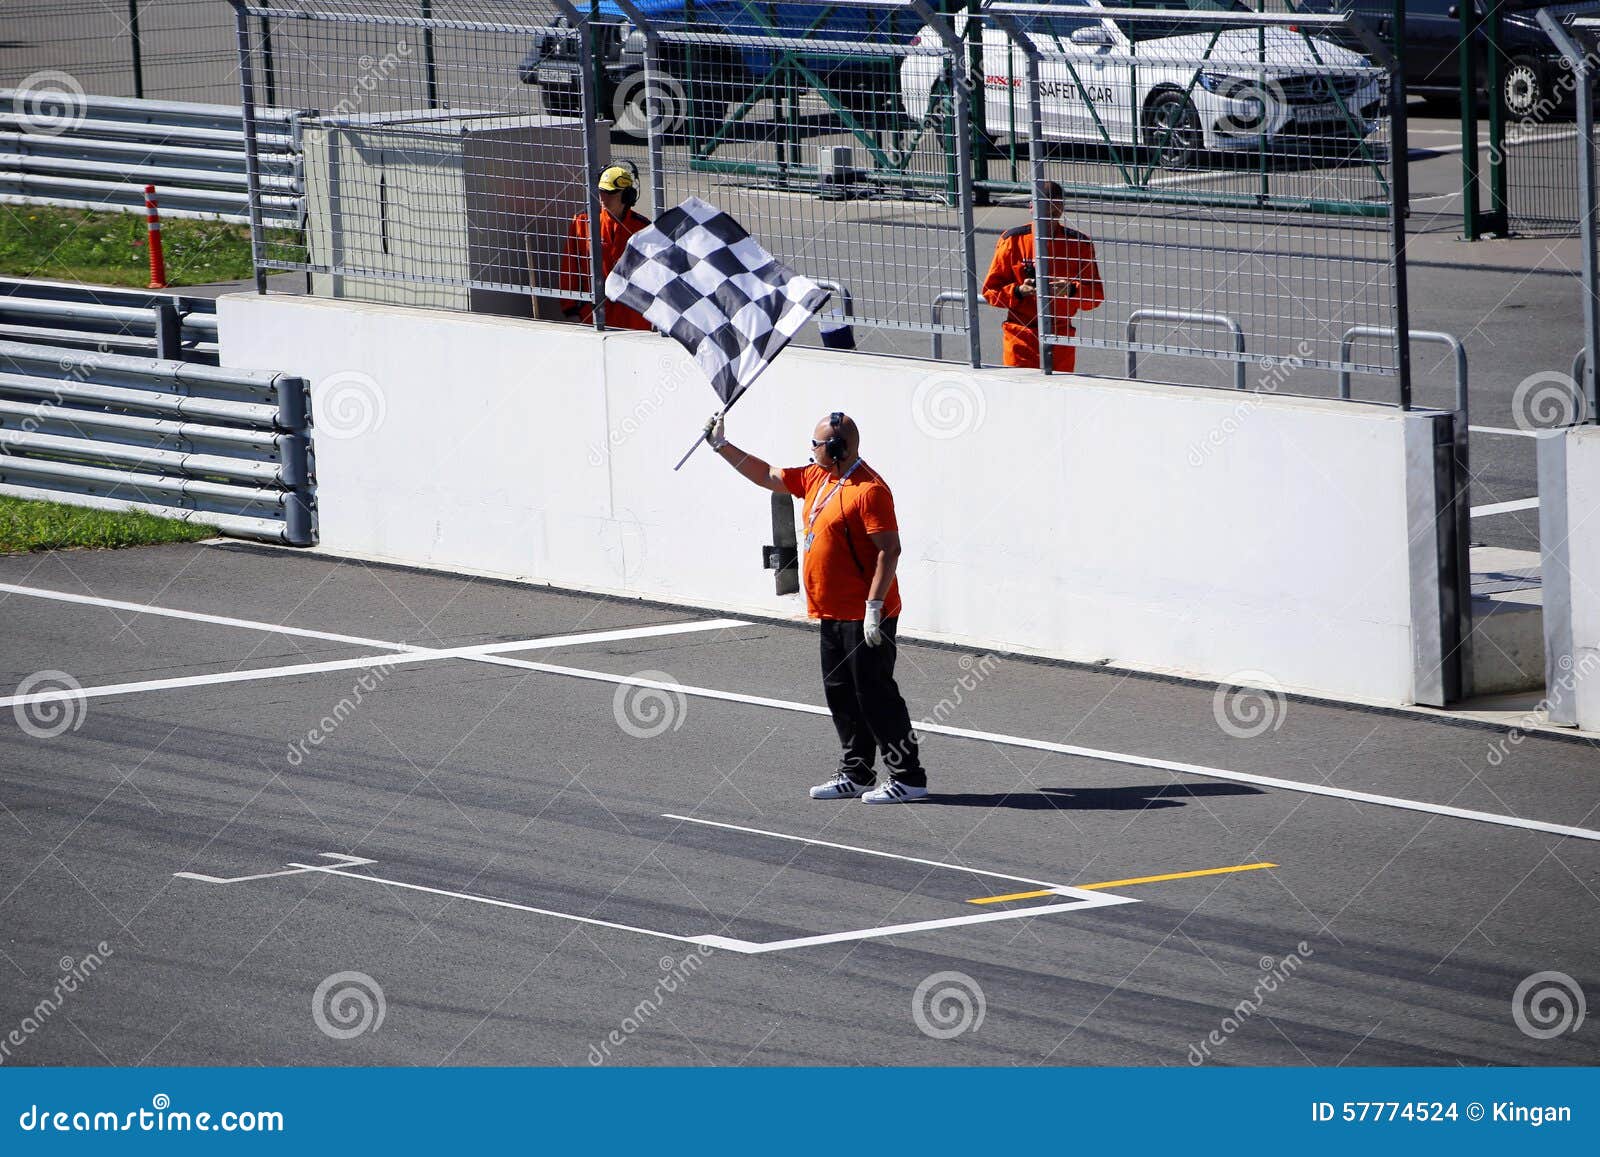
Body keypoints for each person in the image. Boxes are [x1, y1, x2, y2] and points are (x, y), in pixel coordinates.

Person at [702, 410, 929, 803]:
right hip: (831, 611)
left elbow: (889, 549)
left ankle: (908, 776)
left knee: (875, 696)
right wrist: (722, 447)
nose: (810, 449)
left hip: (865, 615)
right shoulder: (817, 476)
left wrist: (874, 605)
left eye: (817, 443)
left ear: (837, 448)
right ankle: (857, 771)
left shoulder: (869, 490)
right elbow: (768, 475)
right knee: (841, 693)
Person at [982, 179, 1104, 372]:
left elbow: (1095, 297)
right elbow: (990, 292)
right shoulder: (1012, 240)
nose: (1048, 219)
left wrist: (1071, 289)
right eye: (1044, 212)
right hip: (1021, 333)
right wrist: (1018, 291)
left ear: (1062, 209)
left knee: (1059, 395)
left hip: (1060, 334)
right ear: (1031, 207)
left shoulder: (1079, 244)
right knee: (1018, 394)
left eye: (1054, 212)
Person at [560, 163, 653, 330]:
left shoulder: (645, 229)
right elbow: (569, 269)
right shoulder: (582, 222)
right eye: (601, 191)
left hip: (634, 322)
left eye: (610, 193)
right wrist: (571, 310)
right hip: (593, 317)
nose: (603, 197)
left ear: (627, 196)